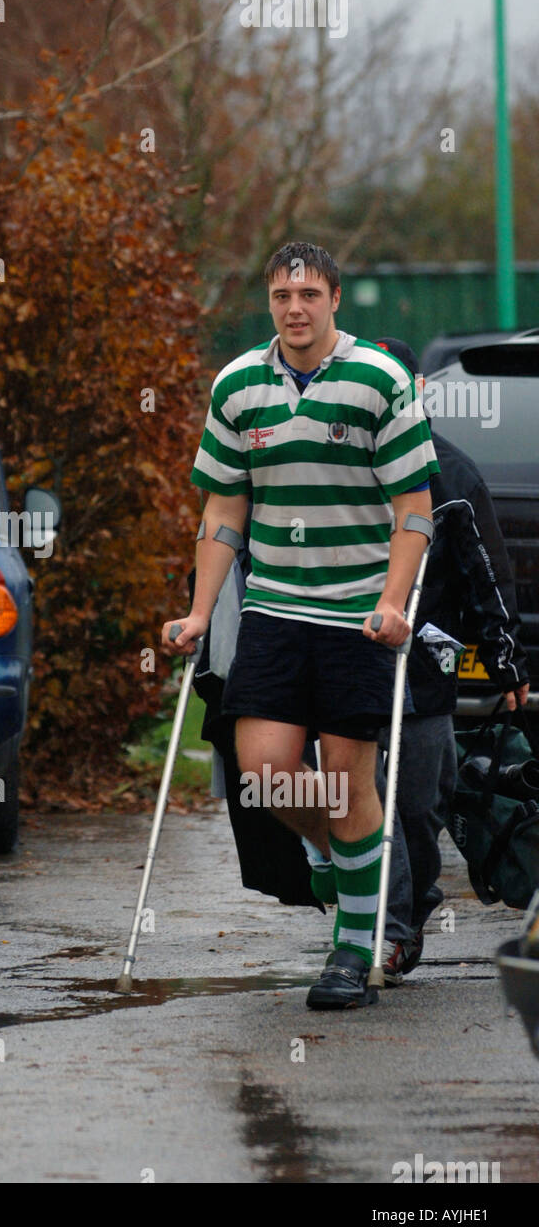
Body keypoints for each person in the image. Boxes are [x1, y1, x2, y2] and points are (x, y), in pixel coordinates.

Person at [161, 242, 439, 1010]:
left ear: (335, 300)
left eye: (310, 294)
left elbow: (414, 512)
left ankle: (353, 951)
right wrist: (198, 611)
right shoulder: (238, 386)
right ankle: (326, 851)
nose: (295, 308)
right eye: (283, 295)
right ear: (268, 302)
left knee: (349, 775)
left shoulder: (380, 382)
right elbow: (222, 511)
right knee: (264, 770)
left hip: (356, 614)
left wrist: (391, 602)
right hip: (275, 612)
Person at [372, 337, 529, 983]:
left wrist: (503, 656)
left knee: (416, 800)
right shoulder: (343, 469)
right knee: (358, 795)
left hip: (425, 665)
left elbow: (487, 571)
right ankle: (384, 927)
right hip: (346, 654)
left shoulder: (451, 473)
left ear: (420, 391)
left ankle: (405, 912)